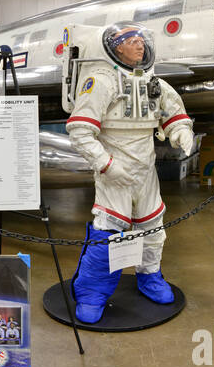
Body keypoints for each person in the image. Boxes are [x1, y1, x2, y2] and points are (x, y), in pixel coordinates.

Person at [65, 23, 194, 322]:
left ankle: (150, 277)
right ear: (117, 47)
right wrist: (107, 165)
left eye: (141, 41)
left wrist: (180, 131)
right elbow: (80, 131)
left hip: (145, 170)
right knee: (109, 231)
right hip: (115, 169)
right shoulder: (100, 81)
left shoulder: (153, 82)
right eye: (132, 41)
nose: (140, 46)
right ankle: (92, 292)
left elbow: (173, 111)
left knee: (152, 230)